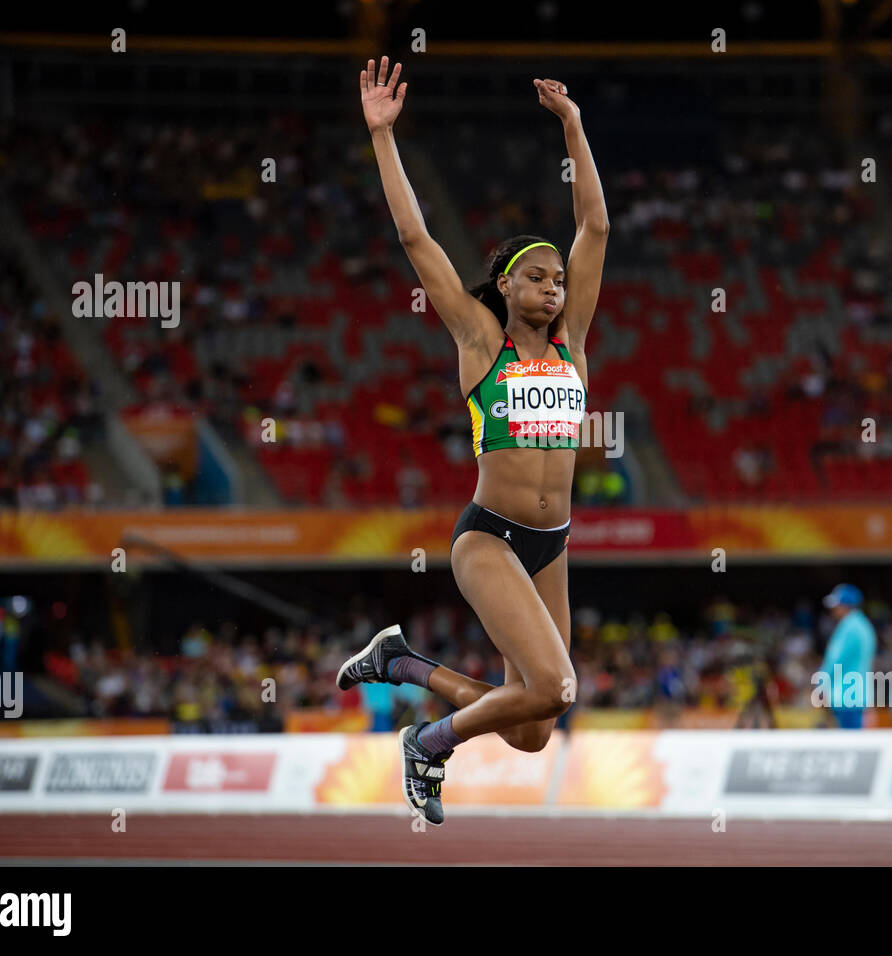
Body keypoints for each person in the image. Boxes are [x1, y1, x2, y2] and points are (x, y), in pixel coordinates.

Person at [336, 57, 608, 825]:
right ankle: (427, 743)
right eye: (538, 277)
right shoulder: (480, 341)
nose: (553, 287)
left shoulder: (574, 344)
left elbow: (595, 226)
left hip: (551, 543)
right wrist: (382, 136)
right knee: (557, 686)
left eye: (559, 279)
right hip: (489, 538)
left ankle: (402, 664)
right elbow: (414, 235)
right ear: (506, 285)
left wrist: (574, 126)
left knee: (533, 727)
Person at [818, 584, 876, 729]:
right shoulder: (864, 626)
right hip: (857, 695)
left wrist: (821, 684)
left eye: (836, 606)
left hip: (846, 697)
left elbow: (834, 660)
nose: (833, 610)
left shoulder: (849, 627)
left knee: (850, 740)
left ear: (845, 606)